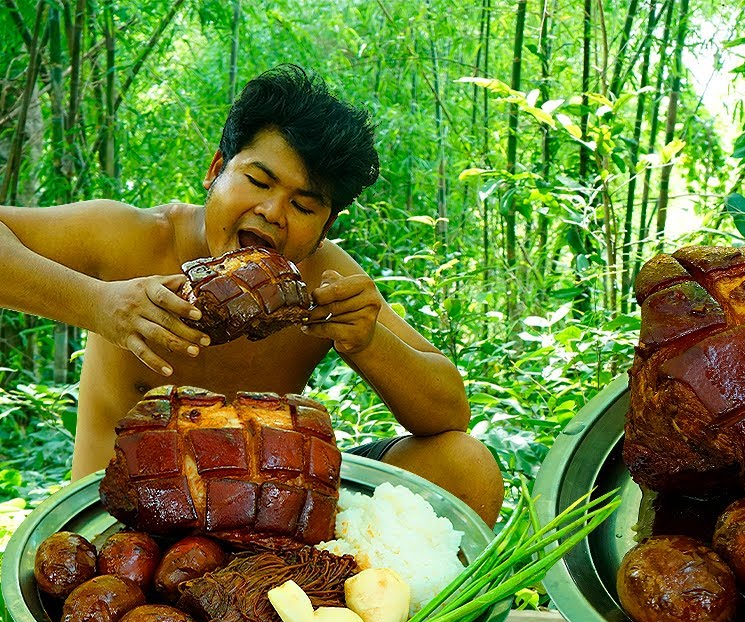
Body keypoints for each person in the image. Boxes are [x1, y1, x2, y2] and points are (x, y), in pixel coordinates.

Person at [0, 65, 504, 525]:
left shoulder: (322, 280)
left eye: (304, 205)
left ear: (326, 227)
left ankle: (387, 619)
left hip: (266, 515)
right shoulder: (131, 237)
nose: (271, 212)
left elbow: (449, 414)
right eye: (258, 180)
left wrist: (368, 342)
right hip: (117, 521)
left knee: (464, 466)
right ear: (216, 168)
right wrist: (98, 304)